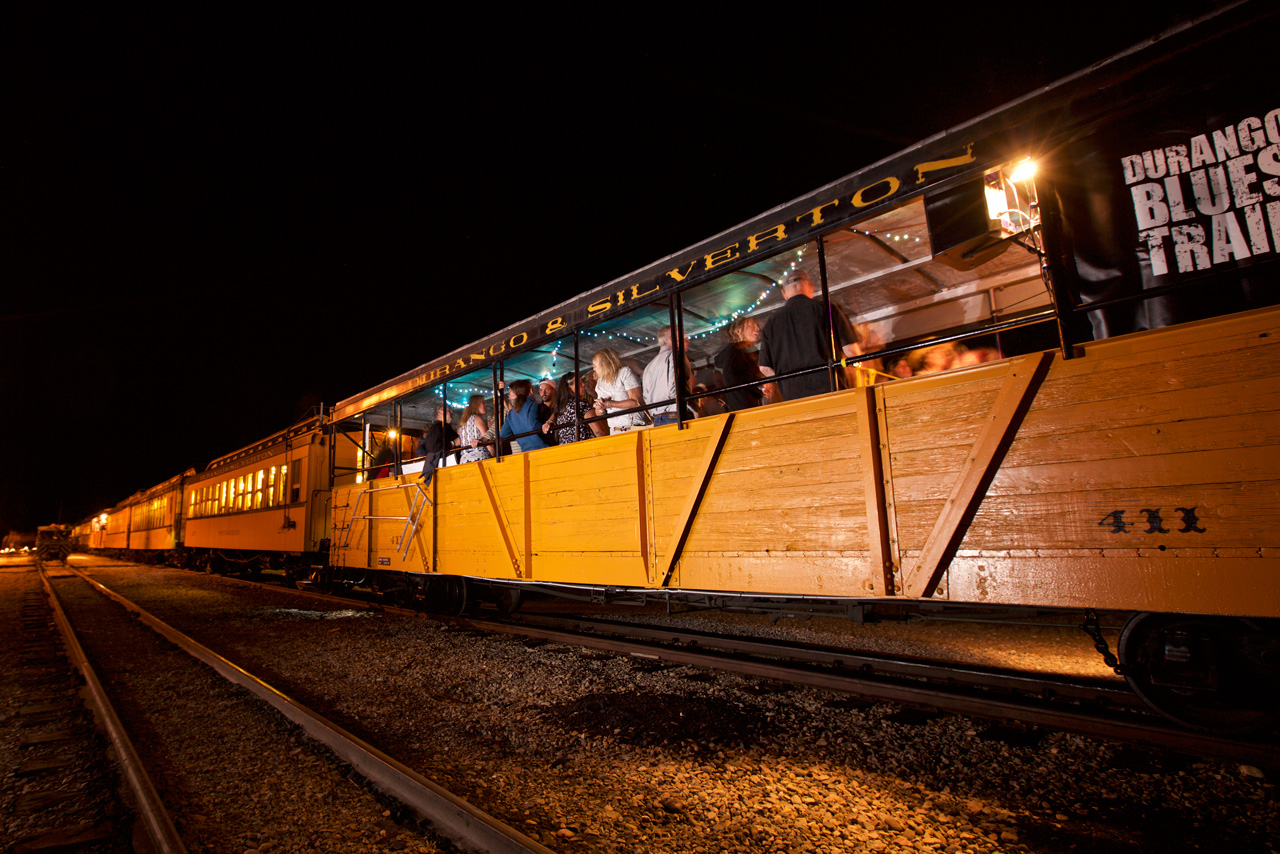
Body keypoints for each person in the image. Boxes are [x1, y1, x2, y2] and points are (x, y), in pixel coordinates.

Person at [758, 270, 862, 401]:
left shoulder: (771, 323)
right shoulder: (827, 308)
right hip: (831, 390)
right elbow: (852, 351)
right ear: (810, 286)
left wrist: (786, 381)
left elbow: (764, 367)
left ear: (784, 293)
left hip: (794, 396)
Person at [713, 317, 773, 412]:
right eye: (751, 325)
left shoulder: (746, 352)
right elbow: (731, 378)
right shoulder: (734, 349)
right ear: (738, 330)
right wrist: (759, 382)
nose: (757, 328)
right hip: (745, 408)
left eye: (757, 325)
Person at [642, 326, 694, 427]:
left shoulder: (649, 366)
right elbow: (675, 389)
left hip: (658, 419)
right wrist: (693, 409)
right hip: (676, 416)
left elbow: (646, 397)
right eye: (683, 337)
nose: (687, 340)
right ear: (671, 338)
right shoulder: (675, 355)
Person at [543, 372, 607, 445]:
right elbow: (599, 431)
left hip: (567, 449)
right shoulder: (581, 404)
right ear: (569, 388)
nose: (583, 385)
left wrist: (549, 421)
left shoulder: (560, 408)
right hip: (586, 447)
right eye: (579, 384)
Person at [591, 348, 644, 434]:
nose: (593, 368)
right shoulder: (600, 383)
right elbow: (599, 414)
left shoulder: (624, 373)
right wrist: (599, 408)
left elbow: (636, 403)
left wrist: (610, 404)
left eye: (595, 365)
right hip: (614, 430)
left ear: (605, 363)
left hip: (633, 427)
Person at [500, 379, 550, 452]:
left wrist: (518, 433)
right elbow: (533, 425)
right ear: (530, 390)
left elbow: (503, 433)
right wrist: (545, 429)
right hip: (543, 448)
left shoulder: (511, 413)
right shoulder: (532, 405)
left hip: (525, 451)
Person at [416, 407, 459, 484]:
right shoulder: (439, 427)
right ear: (440, 412)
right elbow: (433, 447)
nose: (451, 413)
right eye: (449, 411)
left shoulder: (440, 427)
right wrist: (453, 443)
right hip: (446, 468)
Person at [457, 395, 491, 463]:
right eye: (483, 402)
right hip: (479, 457)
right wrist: (493, 454)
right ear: (476, 405)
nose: (485, 405)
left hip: (464, 459)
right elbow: (487, 438)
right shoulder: (477, 418)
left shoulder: (464, 422)